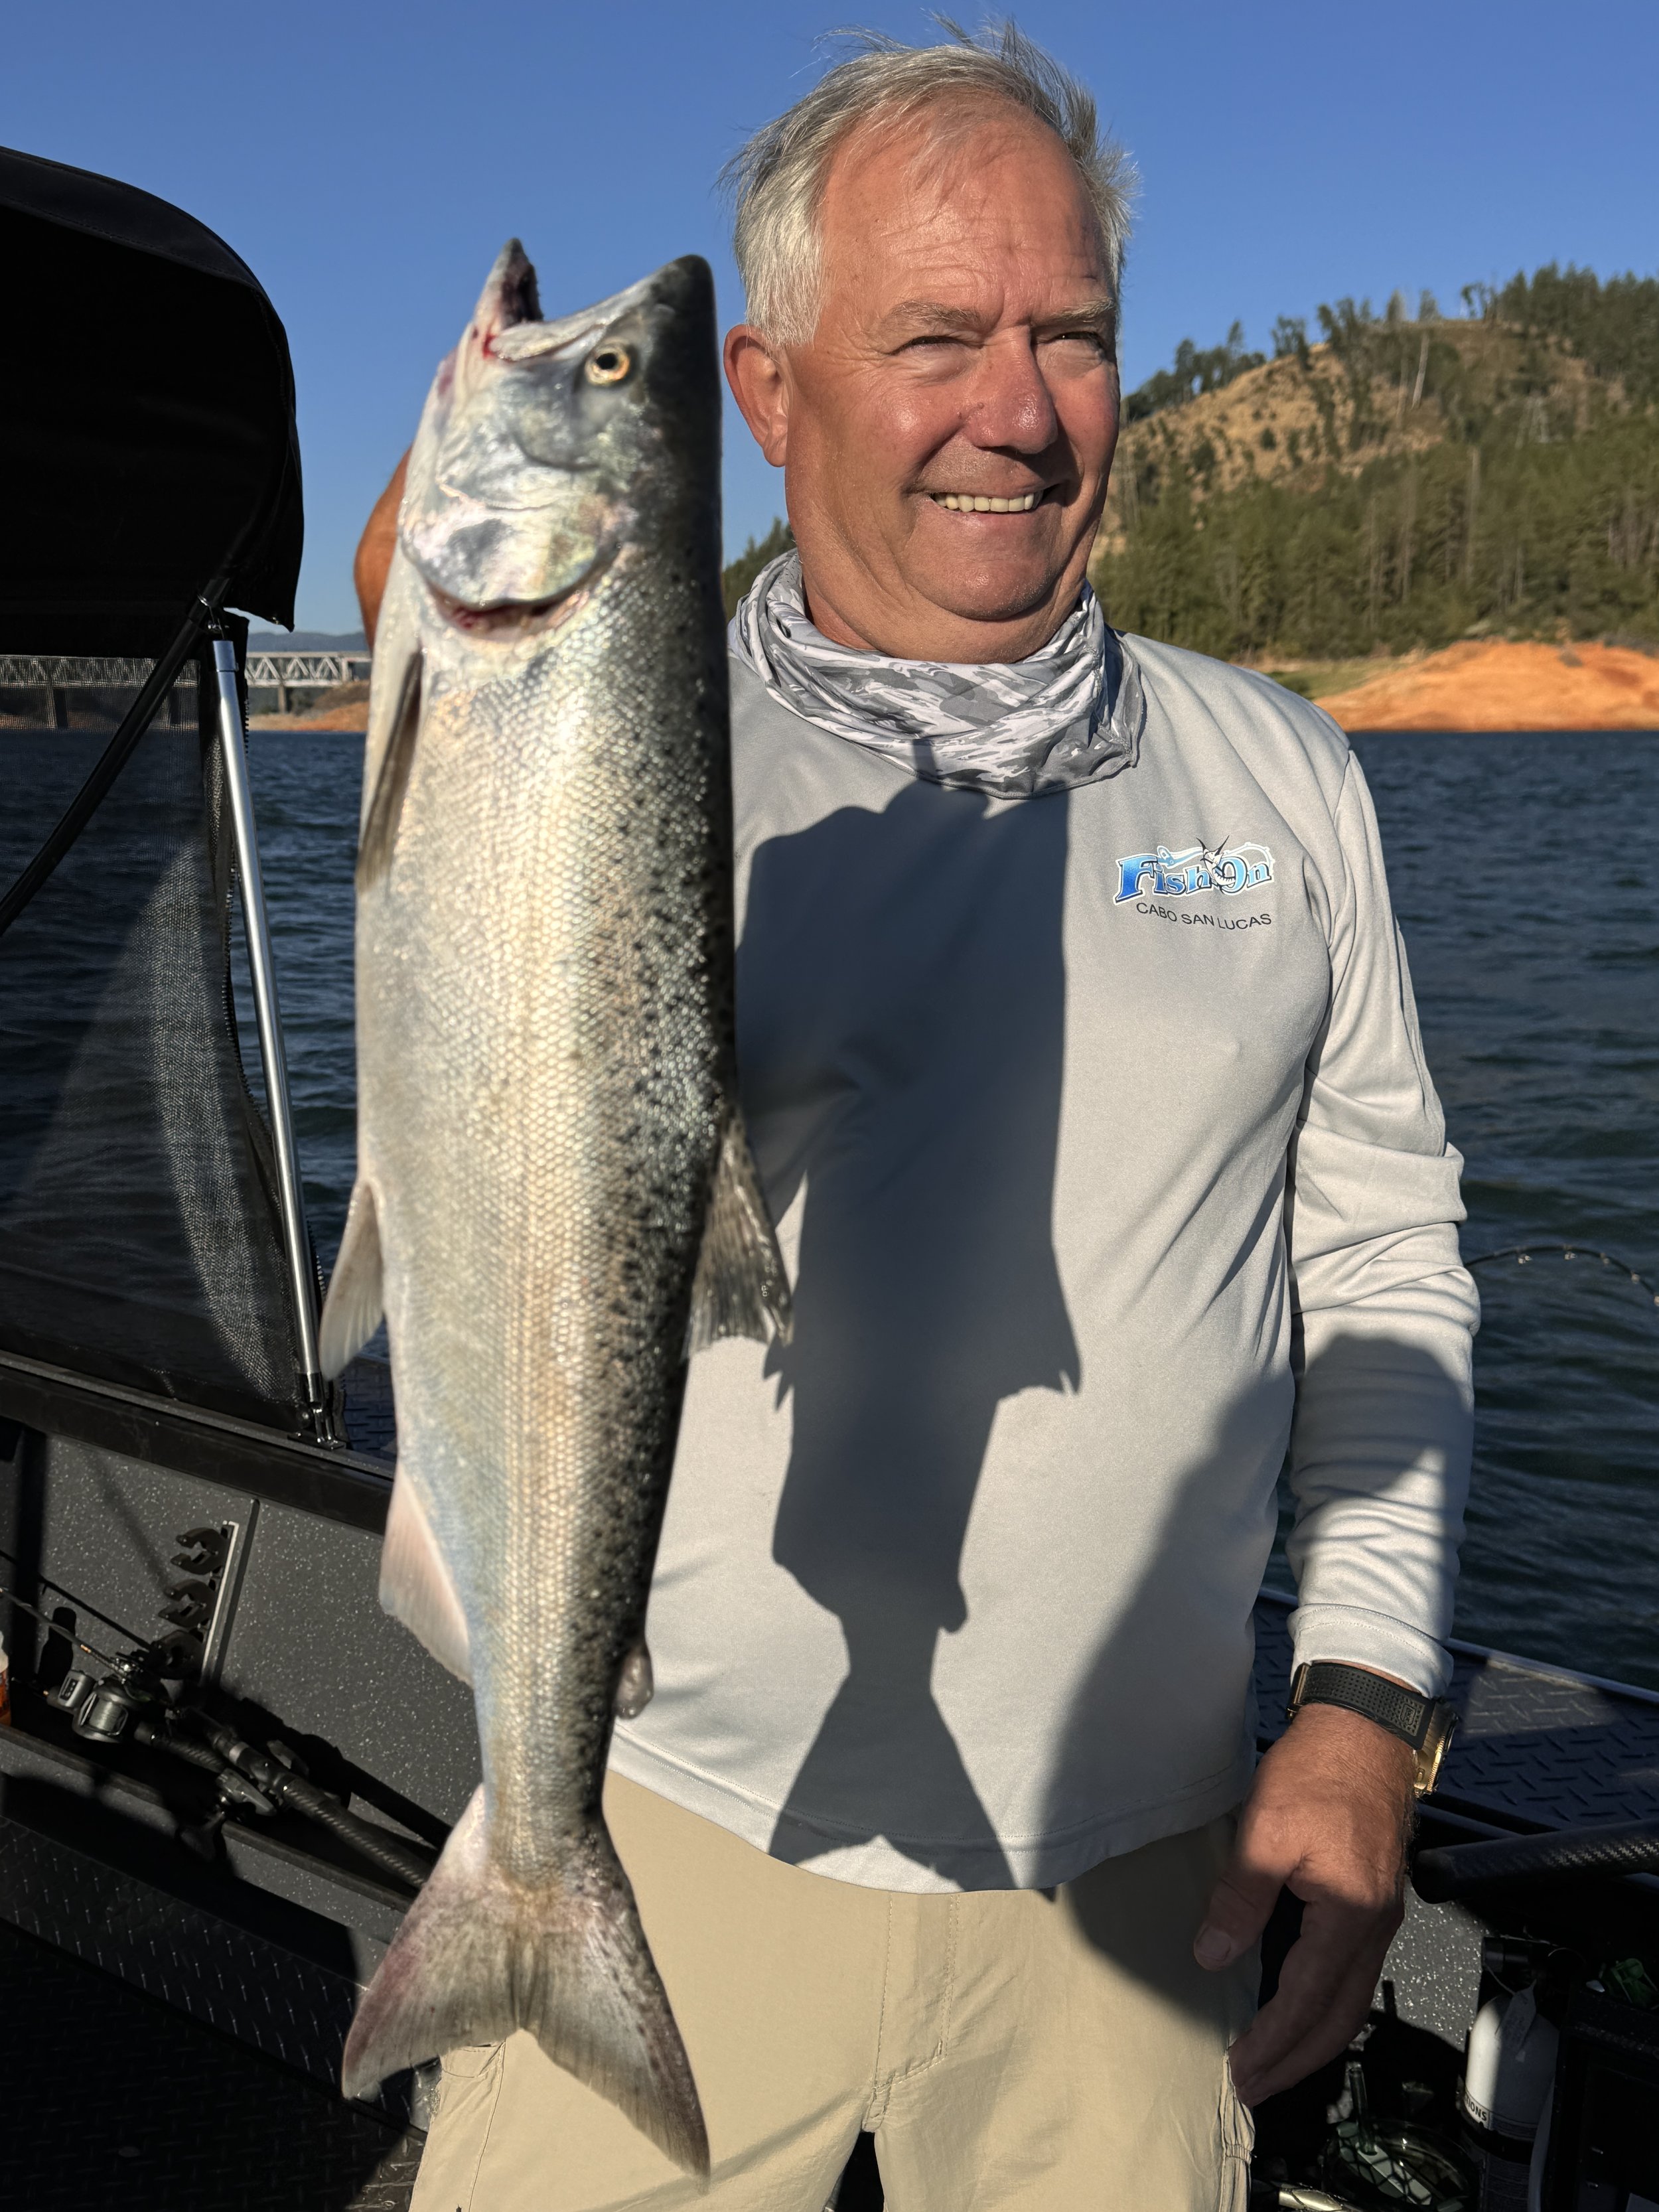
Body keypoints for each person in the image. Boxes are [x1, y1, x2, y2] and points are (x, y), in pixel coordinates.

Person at [359, 27, 1477, 2212]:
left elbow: (1380, 1258)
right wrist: (441, 649)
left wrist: (1360, 1705)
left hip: (1136, 1888)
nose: (1014, 410)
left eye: (1068, 335)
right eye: (935, 336)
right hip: (661, 1821)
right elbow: (455, 1034)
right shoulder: (607, 737)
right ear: (763, 399)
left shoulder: (1284, 779)